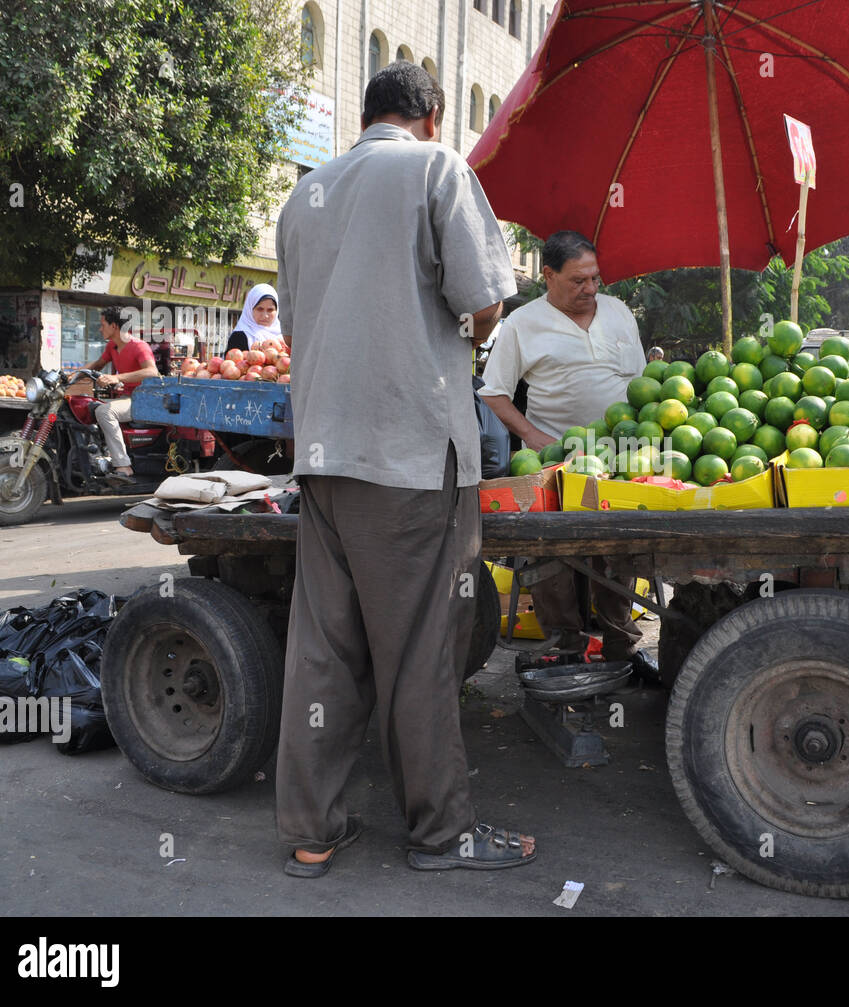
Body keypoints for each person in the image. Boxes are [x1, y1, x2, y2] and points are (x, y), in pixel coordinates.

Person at [274, 61, 533, 878]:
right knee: (421, 648)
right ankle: (439, 833)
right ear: (432, 115)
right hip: (412, 454)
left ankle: (312, 830)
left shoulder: (304, 196)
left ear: (367, 114)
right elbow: (485, 299)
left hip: (322, 453)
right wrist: (469, 329)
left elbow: (295, 316)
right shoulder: (436, 169)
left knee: (323, 645)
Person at [478, 231, 655, 675]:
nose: (590, 289)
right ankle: (565, 643)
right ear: (549, 276)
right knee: (551, 549)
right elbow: (494, 393)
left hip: (620, 457)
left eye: (595, 278)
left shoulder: (618, 314)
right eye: (578, 281)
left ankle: (622, 643)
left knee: (618, 545)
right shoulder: (523, 323)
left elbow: (642, 383)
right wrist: (535, 437)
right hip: (551, 464)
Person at [74, 306, 159, 481]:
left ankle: (123, 466)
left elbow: (152, 372)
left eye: (102, 324)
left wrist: (116, 377)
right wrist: (71, 374)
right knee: (89, 408)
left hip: (144, 399)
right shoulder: (112, 347)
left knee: (105, 411)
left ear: (114, 326)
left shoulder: (139, 346)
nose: (100, 328)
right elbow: (97, 365)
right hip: (127, 397)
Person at [225, 284, 282, 353]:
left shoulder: (284, 338)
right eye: (260, 309)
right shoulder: (239, 337)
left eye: (270, 310)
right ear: (250, 309)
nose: (265, 316)